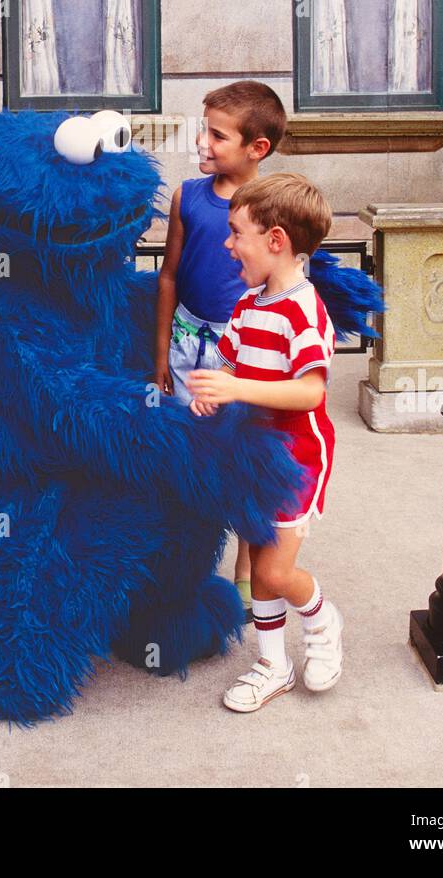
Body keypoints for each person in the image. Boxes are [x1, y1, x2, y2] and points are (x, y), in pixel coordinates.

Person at [186, 172, 343, 711]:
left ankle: (322, 624)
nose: (228, 245)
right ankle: (272, 664)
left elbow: (310, 392)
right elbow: (229, 362)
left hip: (297, 457)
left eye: (236, 234)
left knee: (274, 571)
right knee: (257, 564)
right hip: (252, 454)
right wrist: (212, 392)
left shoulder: (302, 309)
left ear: (275, 241)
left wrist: (234, 386)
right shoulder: (249, 304)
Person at [154, 81, 287, 619]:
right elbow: (167, 276)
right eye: (202, 130)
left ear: (257, 148)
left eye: (217, 135)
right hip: (188, 341)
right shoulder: (188, 195)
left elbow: (284, 283)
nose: (203, 143)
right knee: (188, 452)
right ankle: (185, 562)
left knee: (247, 457)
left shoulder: (274, 204)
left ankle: (245, 569)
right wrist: (160, 355)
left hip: (244, 353)